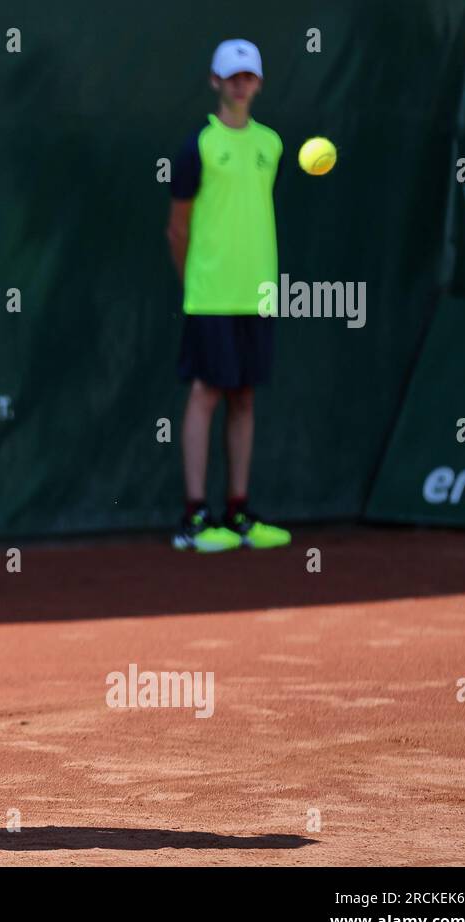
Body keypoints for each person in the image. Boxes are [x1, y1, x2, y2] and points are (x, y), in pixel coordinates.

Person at [166, 39, 293, 553]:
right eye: (233, 76)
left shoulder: (273, 145)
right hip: (210, 295)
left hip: (257, 293)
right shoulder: (197, 147)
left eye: (250, 76)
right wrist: (193, 282)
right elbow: (178, 230)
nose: (242, 84)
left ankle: (238, 511)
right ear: (216, 82)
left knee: (245, 396)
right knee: (206, 393)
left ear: (258, 83)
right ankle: (194, 518)